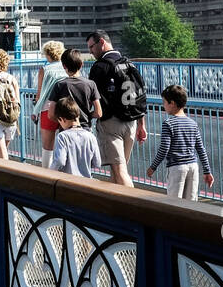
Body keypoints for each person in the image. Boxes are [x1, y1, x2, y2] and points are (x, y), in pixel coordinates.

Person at [86, 30, 147, 189]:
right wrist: (142, 124)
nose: (90, 51)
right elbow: (139, 94)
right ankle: (117, 209)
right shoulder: (129, 63)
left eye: (91, 47)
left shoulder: (100, 67)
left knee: (120, 171)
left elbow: (91, 96)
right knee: (119, 170)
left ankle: (135, 208)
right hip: (132, 122)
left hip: (111, 123)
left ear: (101, 43)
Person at [146, 85, 215, 201]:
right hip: (193, 167)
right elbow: (200, 149)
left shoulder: (168, 123)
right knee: (191, 205)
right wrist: (207, 171)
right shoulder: (193, 123)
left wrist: (153, 167)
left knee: (174, 204)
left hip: (177, 167)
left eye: (164, 103)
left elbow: (164, 148)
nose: (164, 106)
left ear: (172, 103)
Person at [44, 48, 102, 132]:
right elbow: (98, 113)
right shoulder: (90, 84)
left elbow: (51, 114)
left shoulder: (59, 85)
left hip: (66, 131)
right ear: (81, 64)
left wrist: (63, 122)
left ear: (64, 66)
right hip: (85, 130)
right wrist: (87, 115)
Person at [31, 41, 67, 167]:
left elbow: (40, 94)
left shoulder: (44, 70)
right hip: (66, 108)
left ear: (48, 54)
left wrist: (35, 110)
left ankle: (47, 173)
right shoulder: (67, 68)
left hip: (48, 108)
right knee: (66, 142)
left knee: (48, 146)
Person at [48, 98, 102, 179]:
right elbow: (97, 163)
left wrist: (49, 173)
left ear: (62, 119)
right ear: (78, 115)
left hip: (67, 183)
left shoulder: (62, 137)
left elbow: (60, 161)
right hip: (86, 182)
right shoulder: (91, 137)